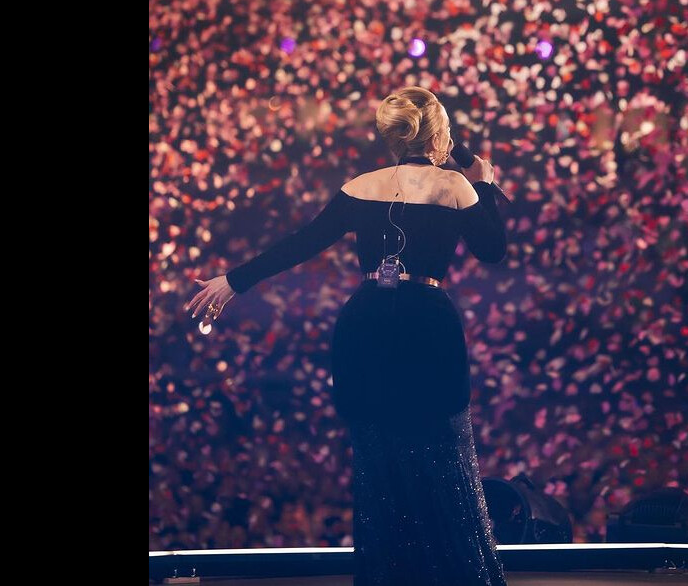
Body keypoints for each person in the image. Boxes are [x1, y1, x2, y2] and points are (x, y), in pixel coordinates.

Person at [185, 86, 510, 585]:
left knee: (378, 460)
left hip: (367, 326)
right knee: (441, 452)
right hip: (427, 324)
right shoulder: (456, 187)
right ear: (438, 130)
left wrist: (235, 280)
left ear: (391, 134)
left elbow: (302, 243)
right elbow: (492, 249)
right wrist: (485, 182)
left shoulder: (360, 185)